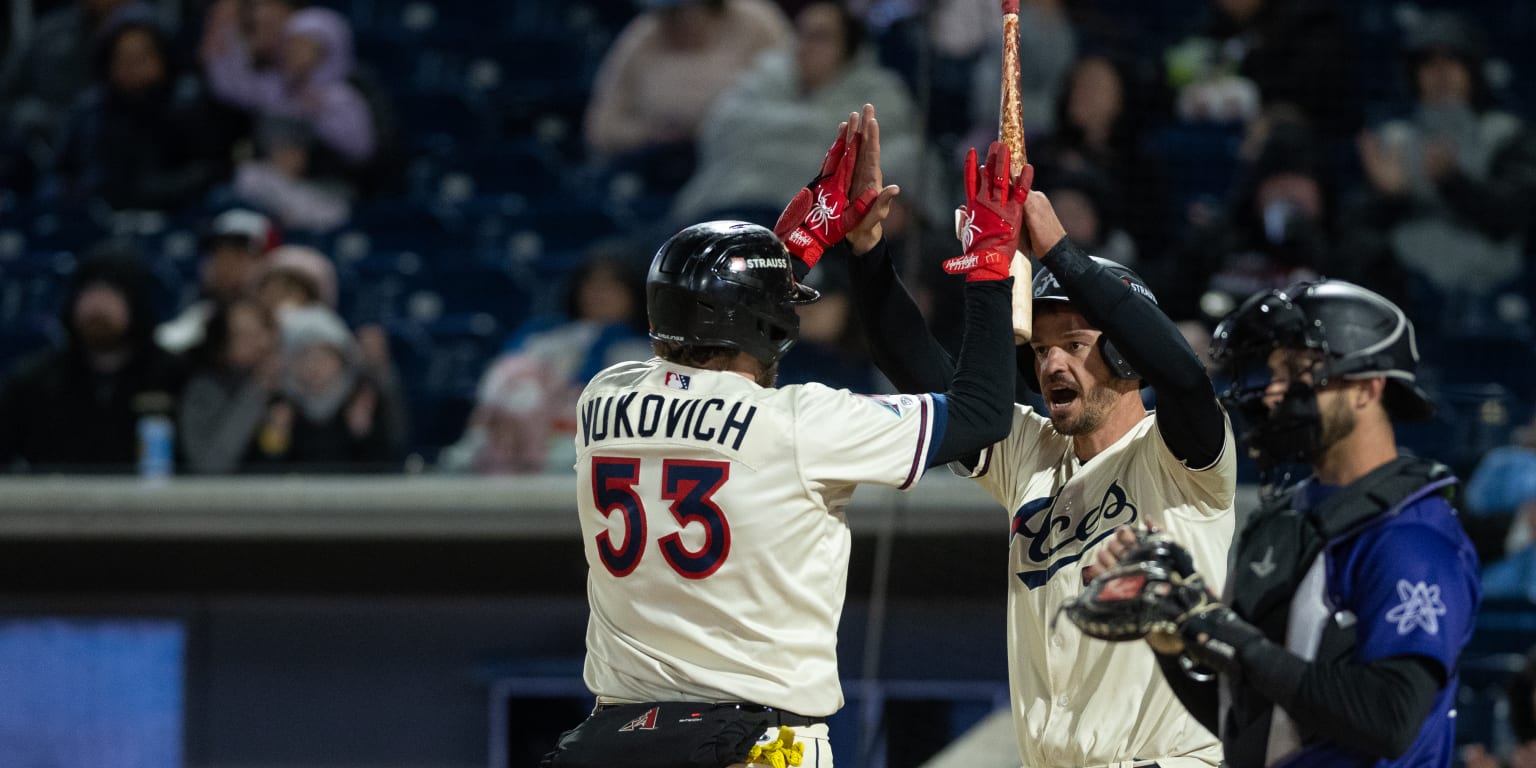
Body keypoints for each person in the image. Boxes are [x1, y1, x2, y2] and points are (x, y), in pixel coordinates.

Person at [543, 105, 1022, 767]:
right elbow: (985, 415)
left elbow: (704, 346)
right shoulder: (802, 424)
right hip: (754, 745)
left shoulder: (605, 400)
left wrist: (789, 250)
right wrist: (992, 271)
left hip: (616, 740)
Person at [849, 129, 1237, 765]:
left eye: (1075, 344)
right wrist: (868, 257)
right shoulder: (1031, 454)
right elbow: (922, 371)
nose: (1053, 363)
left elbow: (1186, 376)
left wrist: (1060, 251)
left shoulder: (1180, 457)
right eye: (1041, 350)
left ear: (1125, 352)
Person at [1087, 279, 1482, 766]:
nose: (1271, 394)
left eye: (1296, 371)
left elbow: (1390, 717)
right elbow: (1250, 718)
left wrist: (1228, 634)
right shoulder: (1280, 521)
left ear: (1367, 387)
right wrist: (1171, 638)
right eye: (1269, 373)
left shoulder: (1411, 535)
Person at [0, 243, 186, 472]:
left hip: (154, 505)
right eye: (89, 292)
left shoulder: (173, 376)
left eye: (112, 293)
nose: (98, 306)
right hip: (57, 504)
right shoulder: (33, 382)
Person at [583, 0, 790, 191]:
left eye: (682, 9)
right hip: (657, 165)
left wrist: (718, 126)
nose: (675, 19)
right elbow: (601, 127)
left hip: (740, 159)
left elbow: (792, 96)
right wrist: (650, 134)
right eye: (667, 11)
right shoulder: (643, 33)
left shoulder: (757, 21)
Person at [178, 295, 281, 473]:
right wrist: (257, 390)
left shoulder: (295, 379)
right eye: (243, 335)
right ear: (222, 345)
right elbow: (210, 466)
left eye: (264, 328)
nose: (260, 342)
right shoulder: (204, 390)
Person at [158, 208, 279, 353]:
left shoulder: (278, 313)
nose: (227, 264)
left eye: (239, 255)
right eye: (220, 253)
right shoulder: (199, 306)